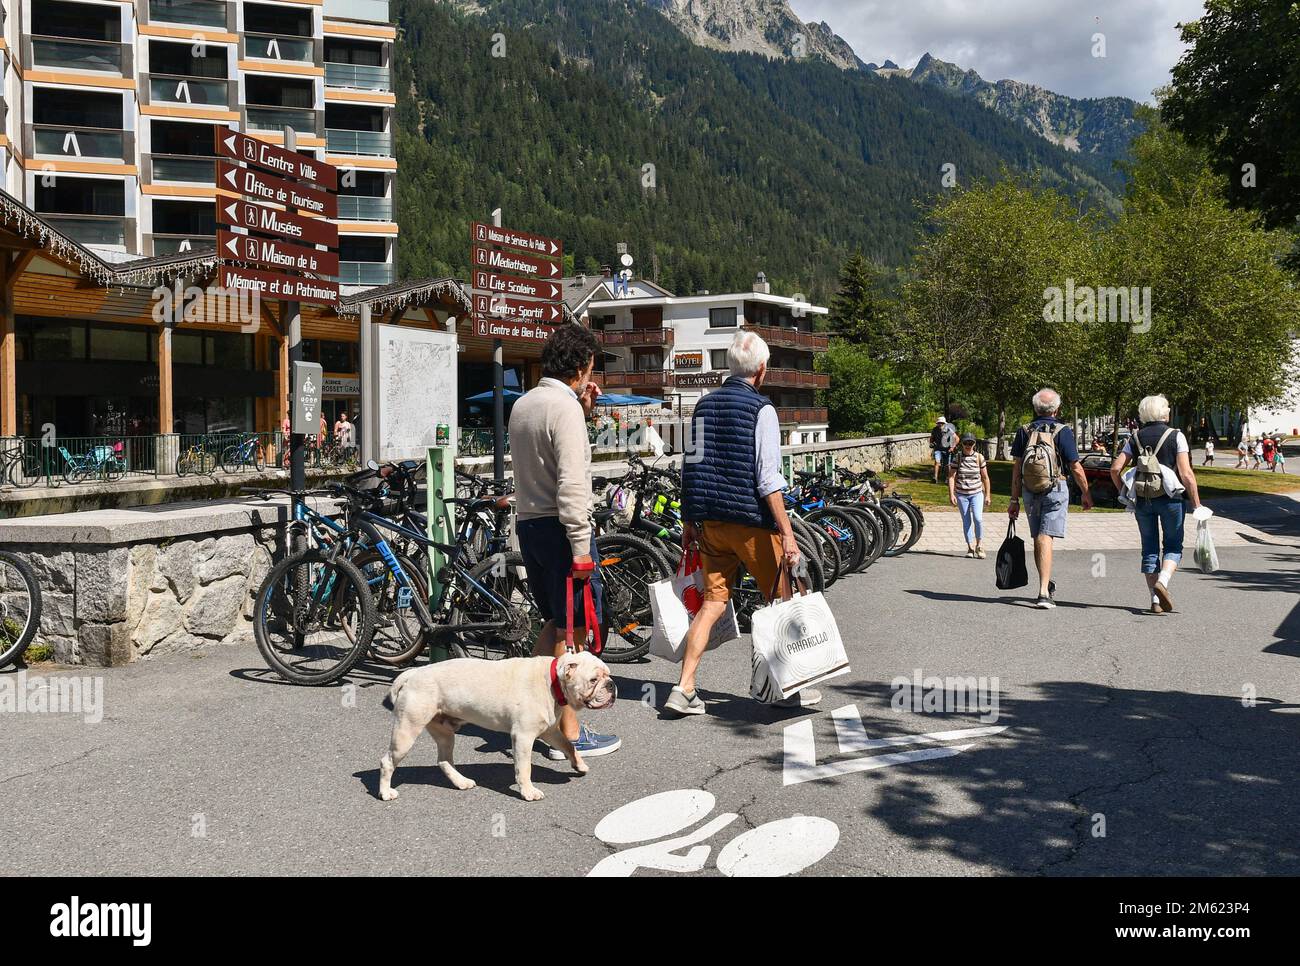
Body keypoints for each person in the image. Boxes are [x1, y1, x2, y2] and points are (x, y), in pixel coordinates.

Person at [666, 330, 814, 716]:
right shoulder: (762, 409)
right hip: (752, 523)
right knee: (781, 601)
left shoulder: (702, 407)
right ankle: (781, 687)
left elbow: (691, 465)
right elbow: (768, 479)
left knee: (713, 603)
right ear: (762, 370)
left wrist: (688, 518)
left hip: (711, 524)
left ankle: (683, 688)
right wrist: (787, 533)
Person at [508, 323, 620, 759]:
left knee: (555, 623)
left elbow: (541, 462)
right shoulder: (564, 408)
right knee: (571, 632)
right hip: (561, 528)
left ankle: (522, 711)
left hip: (530, 523)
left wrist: (584, 409)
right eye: (591, 364)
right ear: (580, 365)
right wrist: (581, 547)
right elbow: (572, 484)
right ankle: (566, 733)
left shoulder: (525, 403)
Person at [1109, 395, 1203, 614]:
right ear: (1164, 413)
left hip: (1143, 499)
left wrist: (1123, 491)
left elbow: (1115, 468)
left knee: (1149, 549)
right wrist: (1197, 504)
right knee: (1173, 545)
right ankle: (1164, 581)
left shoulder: (1135, 437)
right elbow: (1186, 473)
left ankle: (1155, 600)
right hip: (1171, 500)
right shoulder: (1175, 436)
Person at [1008, 388, 1093, 609]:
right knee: (1045, 537)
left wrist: (1014, 499)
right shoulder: (1062, 431)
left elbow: (1017, 468)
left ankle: (1045, 583)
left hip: (1029, 490)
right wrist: (1085, 493)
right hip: (1055, 488)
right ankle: (1044, 592)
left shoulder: (1024, 431)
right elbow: (1075, 465)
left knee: (1038, 536)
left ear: (1036, 408)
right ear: (1056, 409)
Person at [949, 432, 991, 558]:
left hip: (977, 493)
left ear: (974, 444)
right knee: (966, 520)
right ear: (962, 444)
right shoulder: (958, 457)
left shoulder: (979, 457)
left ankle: (979, 545)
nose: (968, 445)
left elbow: (985, 478)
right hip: (962, 494)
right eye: (966, 443)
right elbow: (951, 477)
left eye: (970, 443)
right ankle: (970, 547)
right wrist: (951, 494)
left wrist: (988, 495)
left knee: (978, 518)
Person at [930, 416, 957, 483]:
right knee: (937, 462)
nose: (940, 424)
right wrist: (931, 443)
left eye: (941, 423)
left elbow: (957, 439)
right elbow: (932, 438)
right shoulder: (935, 429)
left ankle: (948, 478)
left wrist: (952, 447)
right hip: (938, 449)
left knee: (947, 465)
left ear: (944, 423)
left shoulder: (949, 430)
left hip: (947, 450)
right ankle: (935, 478)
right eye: (939, 423)